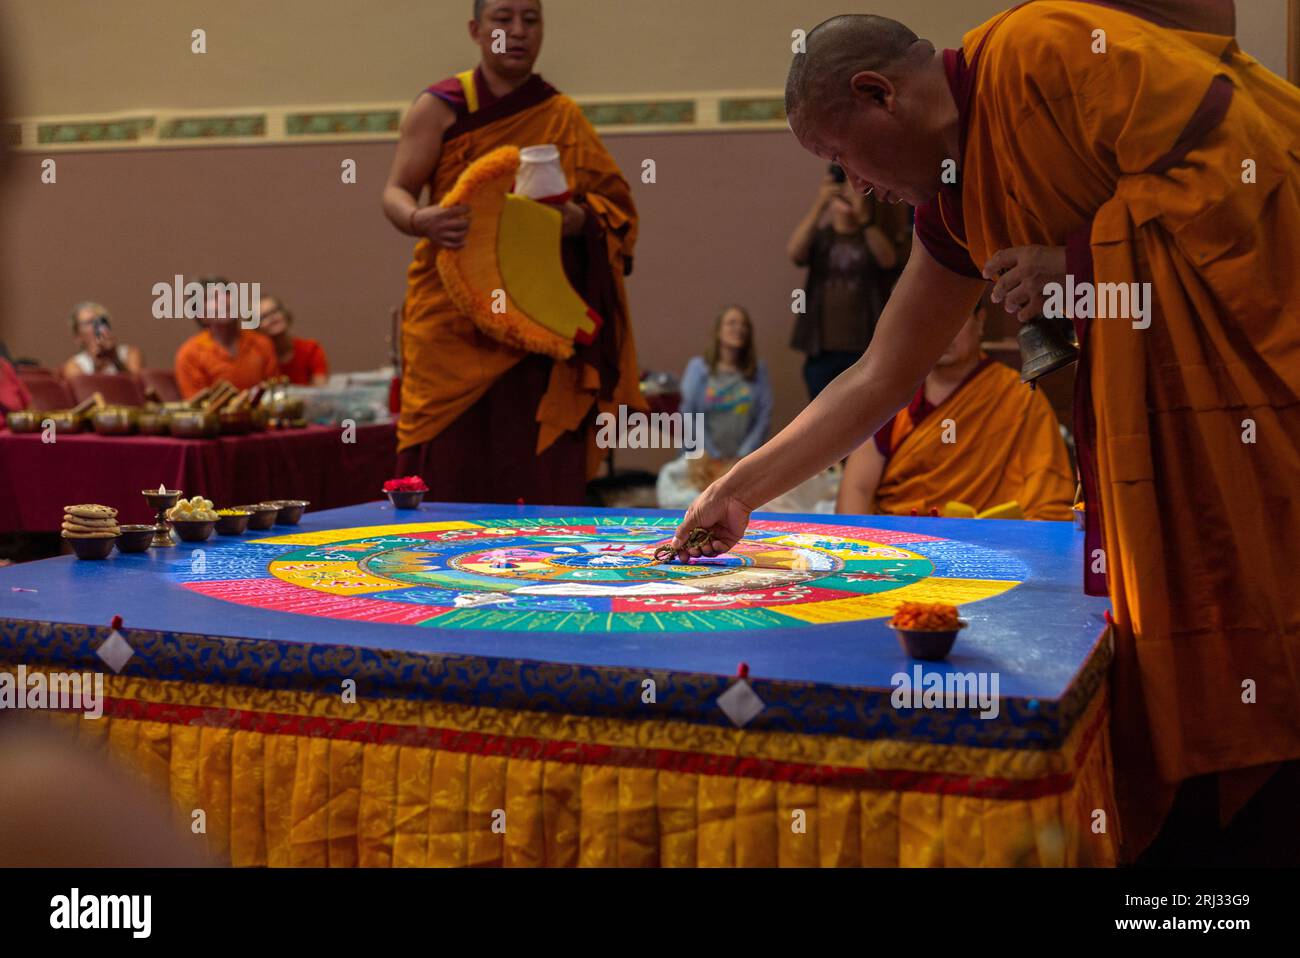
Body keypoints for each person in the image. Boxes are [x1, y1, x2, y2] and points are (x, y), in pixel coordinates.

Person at [672, 3, 1300, 861]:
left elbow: (1246, 158)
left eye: (839, 157)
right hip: (1177, 425)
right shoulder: (961, 200)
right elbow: (880, 373)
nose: (856, 189)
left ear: (878, 94)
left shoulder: (1037, 52)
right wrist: (738, 490)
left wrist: (1076, 261)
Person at [381, 0, 642, 505]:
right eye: (503, 19)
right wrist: (419, 220)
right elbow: (395, 191)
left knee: (536, 478)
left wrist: (579, 220)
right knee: (445, 473)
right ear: (477, 30)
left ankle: (544, 572)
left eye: (530, 19)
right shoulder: (440, 106)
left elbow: (618, 211)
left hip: (538, 321)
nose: (517, 31)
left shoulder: (560, 114)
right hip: (451, 321)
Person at [836, 298, 1074, 519]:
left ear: (980, 322)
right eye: (930, 321)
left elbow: (1047, 498)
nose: (942, 331)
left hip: (991, 551)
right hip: (902, 547)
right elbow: (857, 488)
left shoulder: (1017, 396)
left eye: (954, 318)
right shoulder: (892, 395)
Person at [787, 166, 898, 399]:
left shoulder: (871, 236)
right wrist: (820, 204)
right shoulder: (821, 238)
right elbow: (795, 252)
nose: (846, 194)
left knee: (865, 421)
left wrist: (864, 220)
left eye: (853, 187)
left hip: (865, 351)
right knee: (819, 421)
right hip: (822, 350)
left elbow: (889, 261)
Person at [659, 306, 772, 507]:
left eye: (744, 324)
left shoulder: (757, 371)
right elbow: (687, 413)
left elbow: (763, 417)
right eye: (731, 323)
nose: (739, 328)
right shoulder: (698, 368)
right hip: (701, 461)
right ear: (718, 331)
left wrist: (742, 457)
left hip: (741, 462)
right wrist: (712, 453)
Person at [174, 277, 278, 397]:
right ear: (201, 315)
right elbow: (197, 408)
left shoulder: (261, 342)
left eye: (227, 294)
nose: (224, 301)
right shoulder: (190, 354)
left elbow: (274, 392)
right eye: (213, 298)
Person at [60, 302, 143, 379]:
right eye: (89, 322)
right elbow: (85, 391)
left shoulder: (130, 353)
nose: (97, 326)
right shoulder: (74, 366)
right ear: (78, 337)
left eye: (101, 321)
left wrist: (115, 359)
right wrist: (97, 366)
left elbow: (137, 387)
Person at [259, 295, 328, 386]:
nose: (272, 318)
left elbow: (321, 391)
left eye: (275, 311)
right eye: (264, 317)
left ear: (285, 314)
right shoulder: (257, 358)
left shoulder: (311, 349)